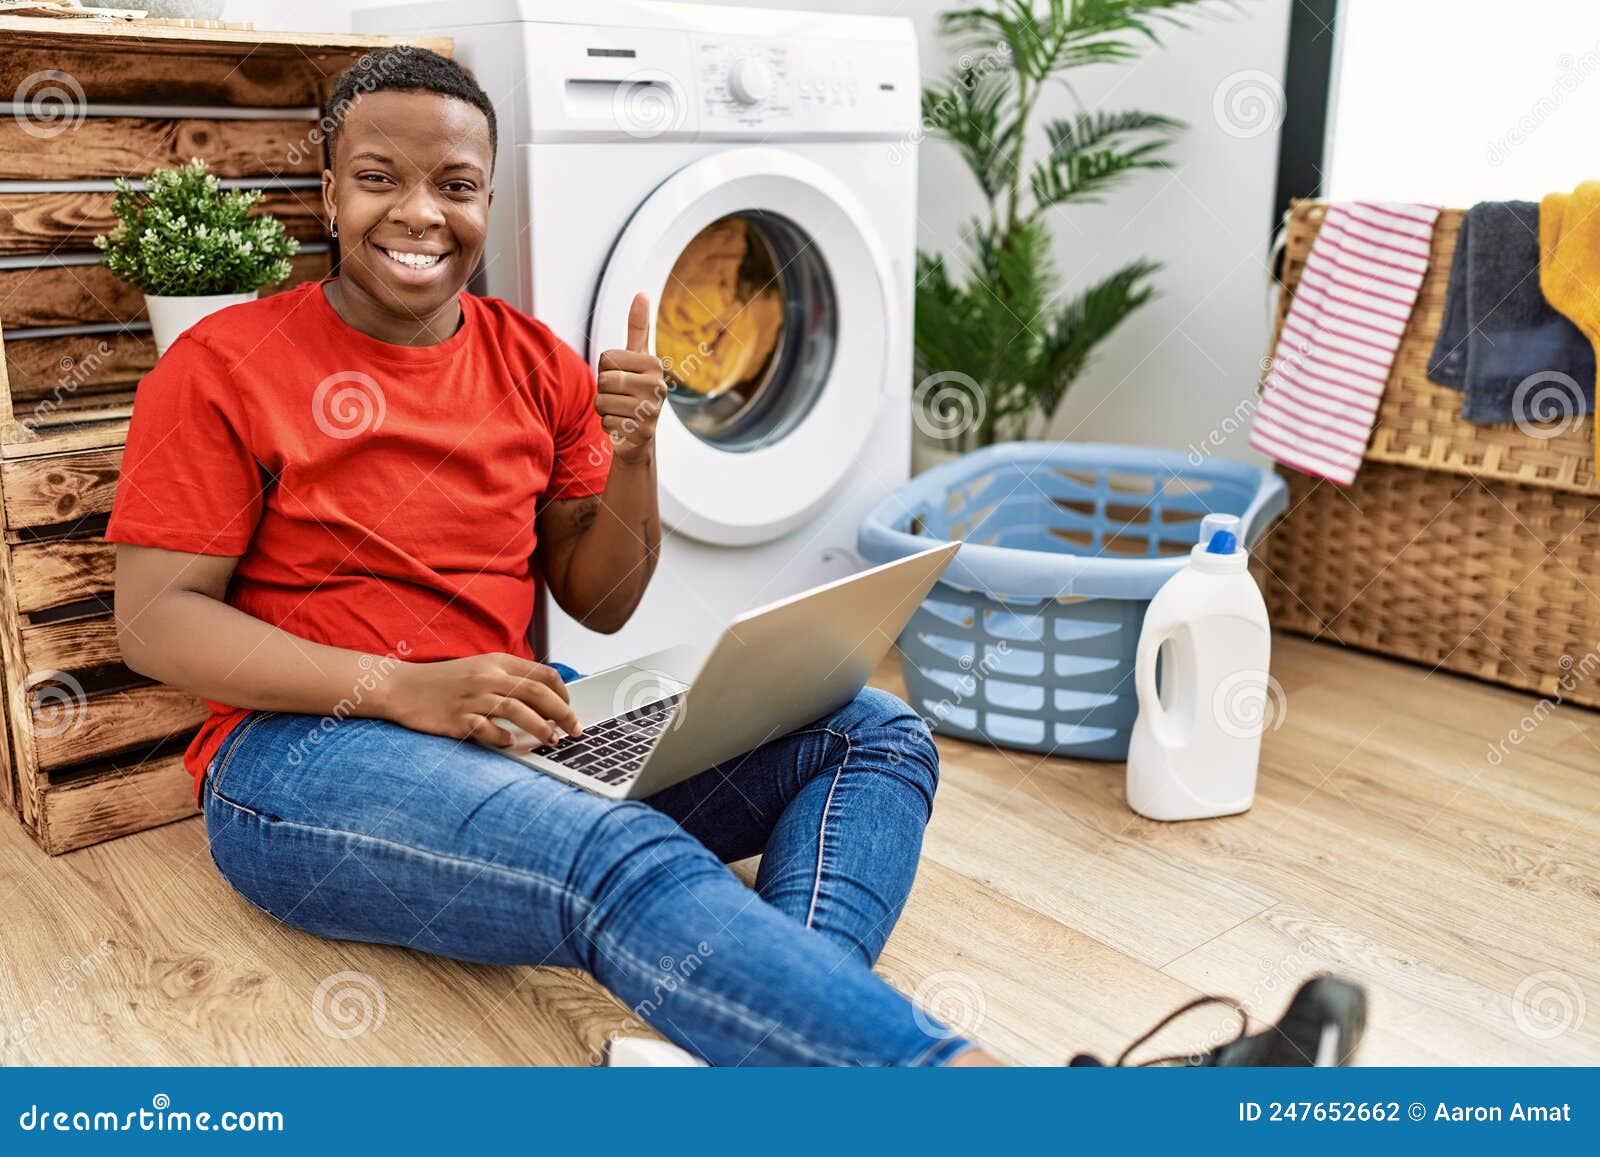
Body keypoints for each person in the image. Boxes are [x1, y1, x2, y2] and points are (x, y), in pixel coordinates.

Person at [108, 48, 1366, 1068]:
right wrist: (401, 687)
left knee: (875, 730)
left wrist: (640, 449)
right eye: (380, 177)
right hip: (303, 762)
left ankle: (734, 1055)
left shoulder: (537, 362)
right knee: (622, 861)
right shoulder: (220, 369)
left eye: (458, 182)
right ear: (327, 193)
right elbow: (159, 622)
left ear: (489, 197)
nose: (421, 212)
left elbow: (599, 591)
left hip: (522, 736)